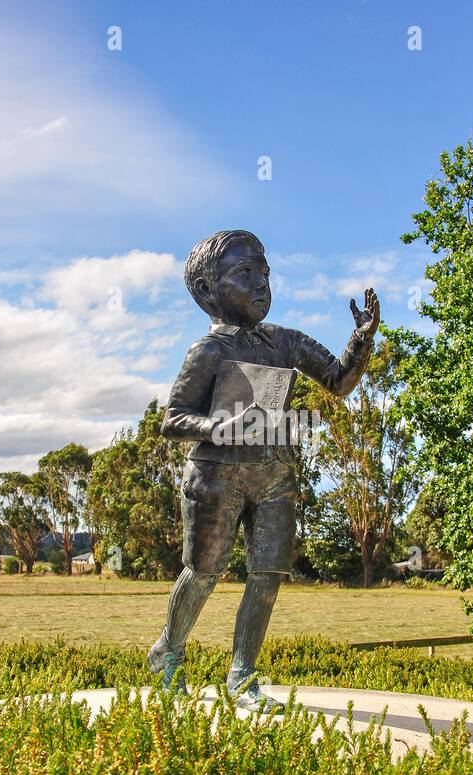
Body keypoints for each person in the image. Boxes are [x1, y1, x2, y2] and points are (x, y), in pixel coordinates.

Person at [150, 229, 380, 712]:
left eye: (265, 272)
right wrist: (218, 425)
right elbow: (172, 420)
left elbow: (338, 382)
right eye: (245, 273)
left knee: (268, 576)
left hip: (276, 475)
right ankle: (168, 651)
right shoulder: (207, 352)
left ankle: (243, 676)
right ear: (209, 290)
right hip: (216, 477)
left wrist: (360, 342)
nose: (261, 284)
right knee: (204, 572)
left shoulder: (285, 342)